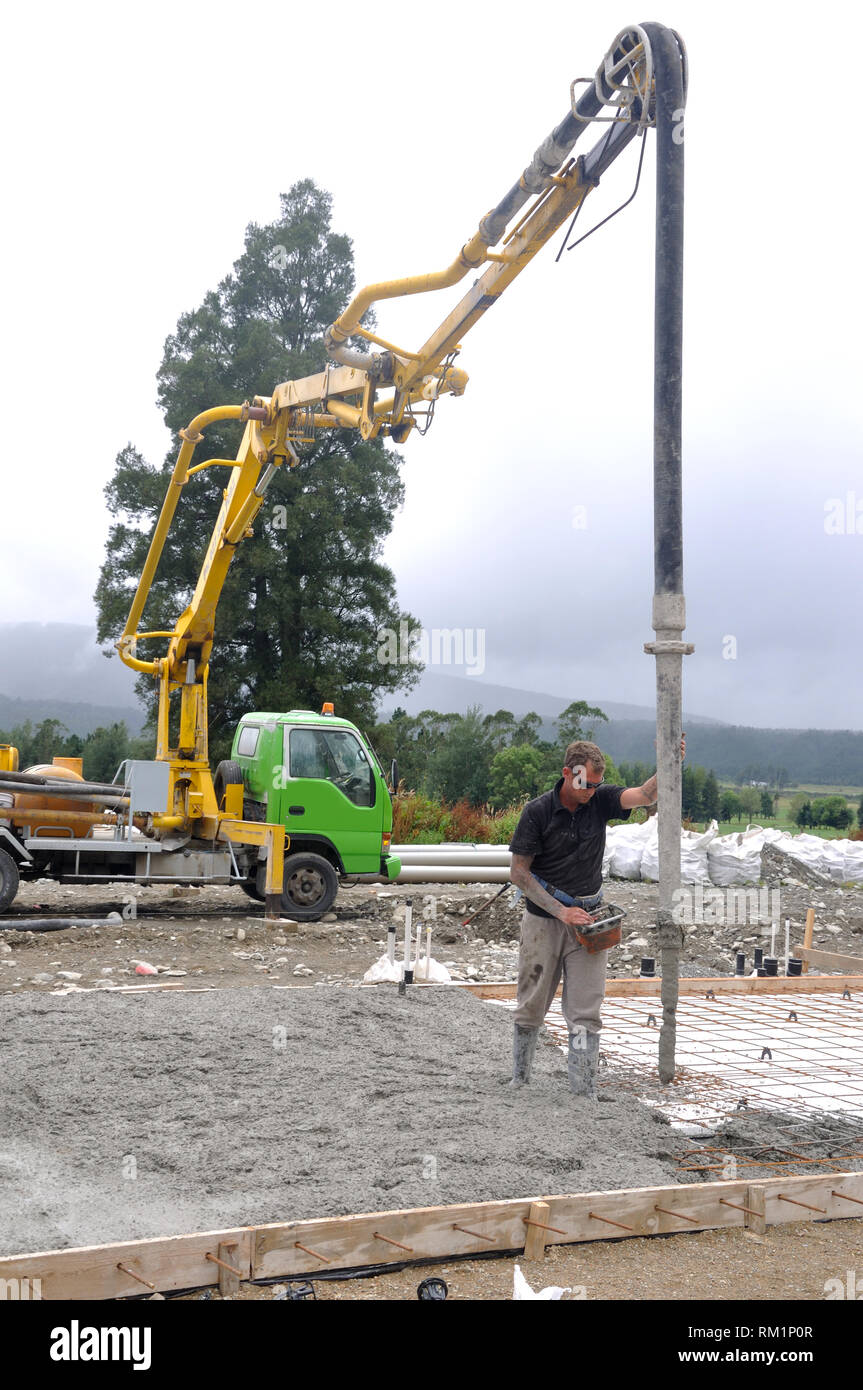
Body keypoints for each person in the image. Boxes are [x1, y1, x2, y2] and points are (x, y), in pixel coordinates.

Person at [507, 735, 685, 1098]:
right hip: (543, 921)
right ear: (566, 773)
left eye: (596, 784)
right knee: (531, 1002)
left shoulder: (600, 800)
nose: (590, 790)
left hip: (590, 921)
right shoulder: (537, 812)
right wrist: (560, 911)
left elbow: (645, 795)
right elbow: (519, 874)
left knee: (586, 1010)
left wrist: (669, 762)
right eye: (584, 783)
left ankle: (583, 1092)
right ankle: (519, 1080)